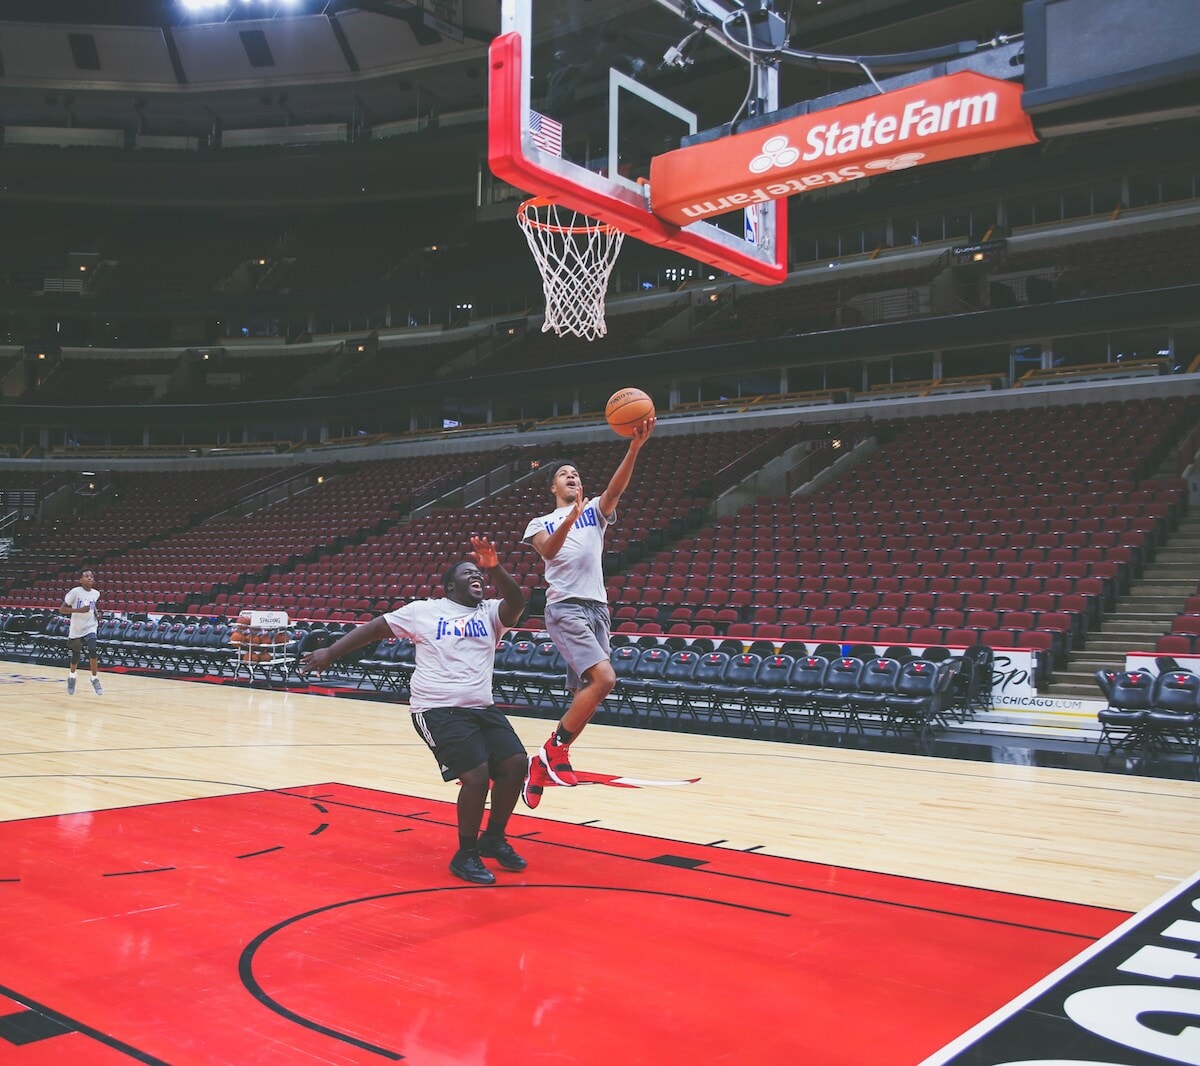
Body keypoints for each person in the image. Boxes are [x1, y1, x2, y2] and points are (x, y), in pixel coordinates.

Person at [300, 536, 528, 886]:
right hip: (437, 709)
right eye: (469, 573)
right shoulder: (424, 611)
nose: (477, 577)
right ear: (451, 585)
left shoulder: (491, 613)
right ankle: (464, 855)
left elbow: (518, 600)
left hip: (481, 707)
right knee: (476, 776)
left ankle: (493, 838)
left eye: (479, 574)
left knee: (515, 765)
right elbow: (375, 628)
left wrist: (495, 567)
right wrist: (331, 652)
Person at [521, 416, 655, 808]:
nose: (571, 477)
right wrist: (571, 519)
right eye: (564, 474)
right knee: (606, 679)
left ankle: (542, 764)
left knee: (588, 693)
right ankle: (554, 749)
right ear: (553, 487)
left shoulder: (596, 510)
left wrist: (633, 447)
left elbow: (616, 488)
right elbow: (548, 551)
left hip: (598, 608)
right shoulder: (540, 522)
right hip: (565, 606)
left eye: (575, 473)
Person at [61, 569, 102, 696]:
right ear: (80, 580)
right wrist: (79, 610)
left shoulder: (96, 593)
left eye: (91, 576)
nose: (90, 578)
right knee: (76, 655)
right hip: (77, 628)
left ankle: (94, 678)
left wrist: (97, 614)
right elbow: (62, 609)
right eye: (86, 576)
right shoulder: (75, 592)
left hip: (90, 626)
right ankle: (72, 676)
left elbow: (92, 606)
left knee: (93, 649)